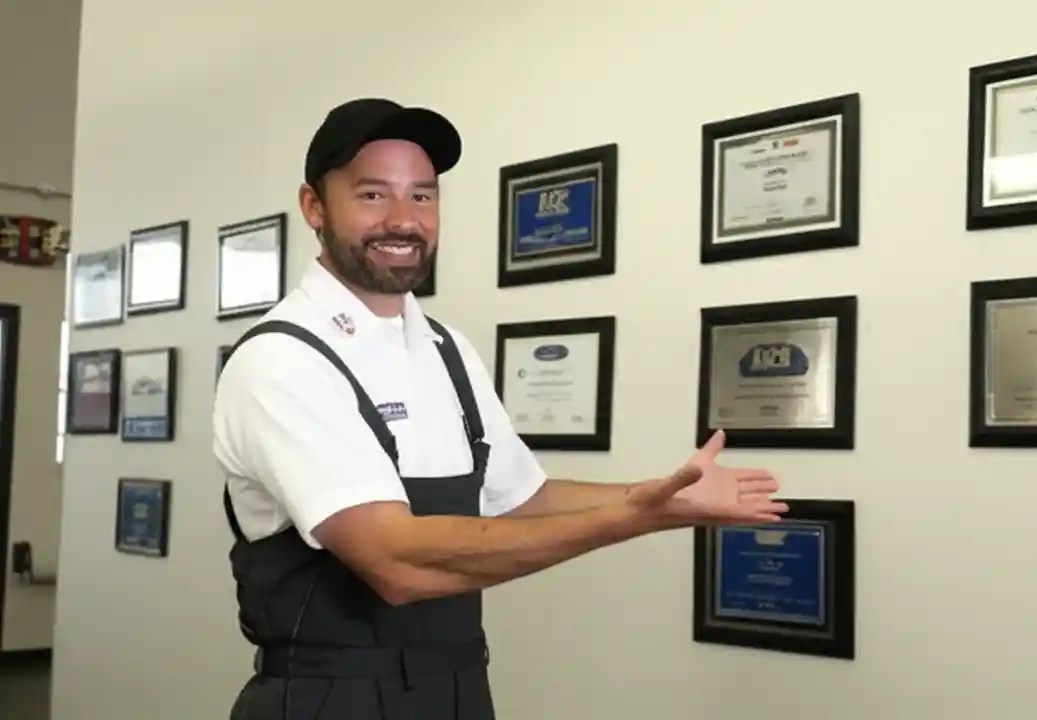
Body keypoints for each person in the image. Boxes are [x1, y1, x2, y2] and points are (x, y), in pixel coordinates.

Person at [211, 97, 788, 720]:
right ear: (314, 206)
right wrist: (631, 519)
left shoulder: (446, 348)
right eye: (373, 195)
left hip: (458, 692)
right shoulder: (282, 358)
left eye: (423, 196)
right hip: (328, 701)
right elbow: (396, 561)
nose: (404, 220)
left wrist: (668, 498)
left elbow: (519, 498)